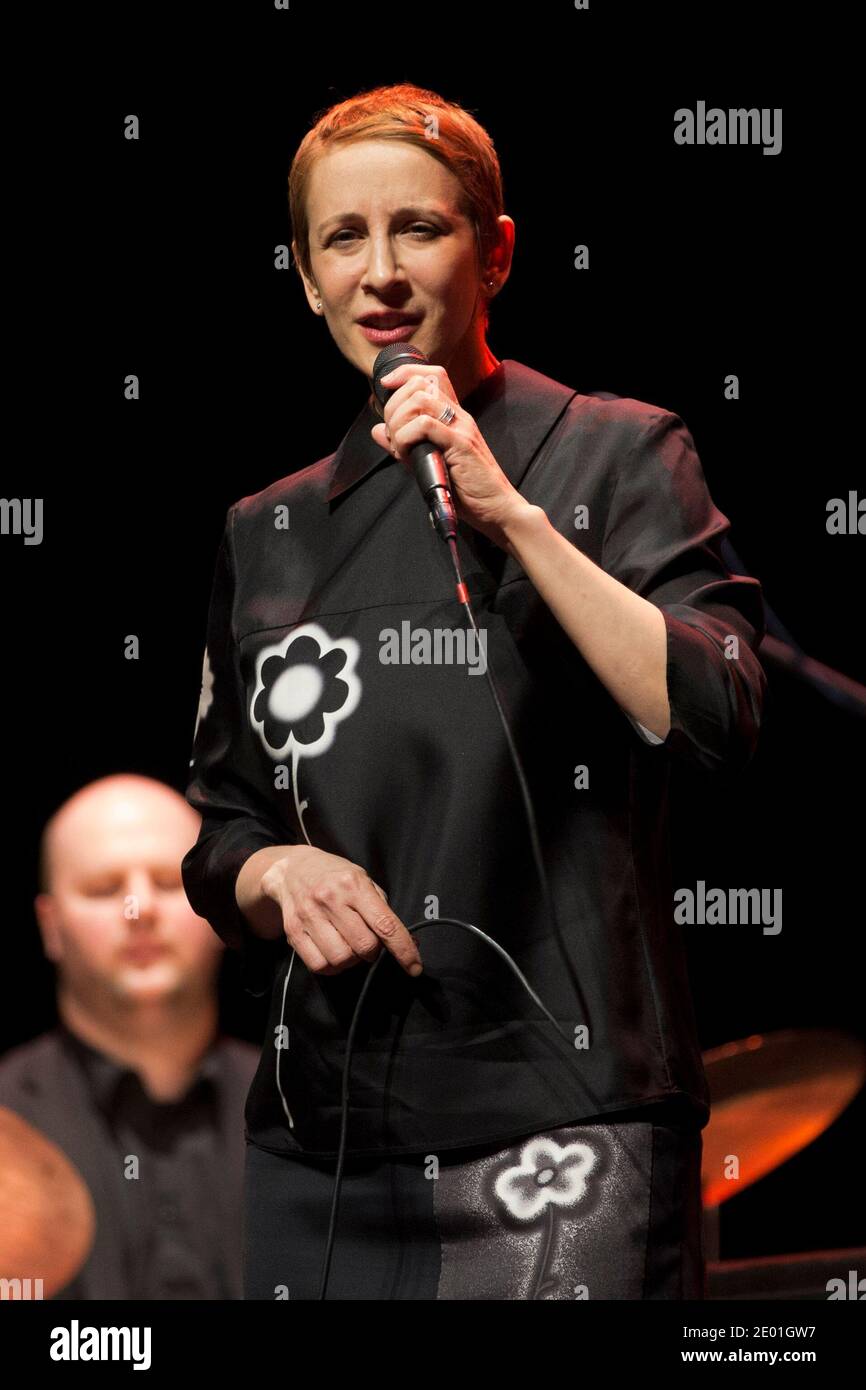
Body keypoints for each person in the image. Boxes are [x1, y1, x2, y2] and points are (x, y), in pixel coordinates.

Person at [181, 82, 767, 1301]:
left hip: (562, 1130)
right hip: (324, 1141)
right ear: (302, 274)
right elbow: (221, 824)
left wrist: (511, 513)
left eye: (420, 229)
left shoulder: (613, 449)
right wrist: (272, 870)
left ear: (493, 252)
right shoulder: (268, 528)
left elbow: (716, 711)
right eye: (342, 238)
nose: (380, 272)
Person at [0, 774, 258, 1299]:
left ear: (215, 911)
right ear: (50, 927)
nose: (139, 910)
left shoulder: (302, 1107)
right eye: (103, 889)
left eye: (169, 884)